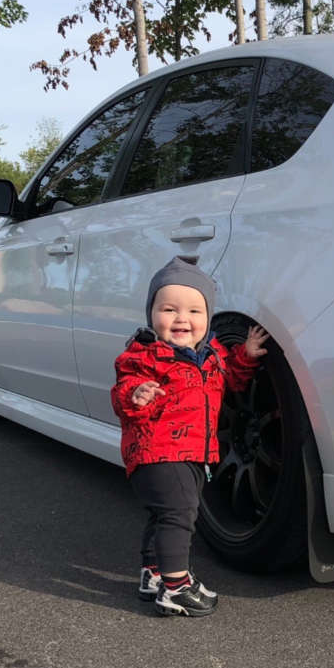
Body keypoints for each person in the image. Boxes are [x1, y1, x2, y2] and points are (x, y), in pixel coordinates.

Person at [111, 256, 268, 617]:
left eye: (195, 311)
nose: (182, 319)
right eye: (169, 309)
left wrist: (246, 355)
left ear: (208, 317)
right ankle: (177, 585)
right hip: (157, 453)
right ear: (151, 314)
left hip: (192, 453)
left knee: (163, 514)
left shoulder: (212, 355)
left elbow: (231, 382)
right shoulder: (143, 355)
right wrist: (137, 394)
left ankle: (153, 574)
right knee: (180, 514)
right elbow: (123, 391)